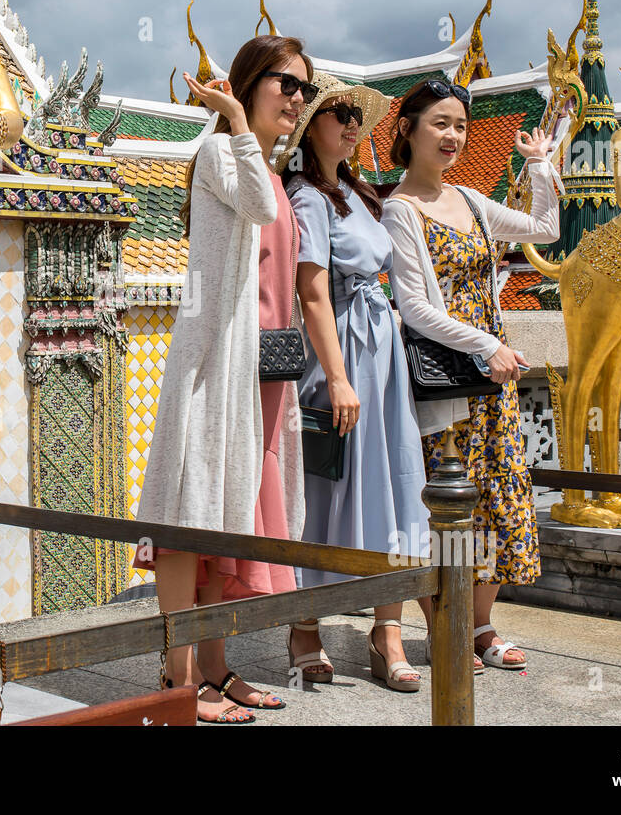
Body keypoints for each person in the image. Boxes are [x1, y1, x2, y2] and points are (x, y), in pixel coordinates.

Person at [132, 35, 311, 722]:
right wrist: (234, 121)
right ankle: (178, 685)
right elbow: (259, 210)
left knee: (225, 521)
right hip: (211, 360)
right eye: (284, 84)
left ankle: (216, 671)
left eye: (303, 87)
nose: (296, 97)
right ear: (246, 85)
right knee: (188, 517)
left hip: (253, 369)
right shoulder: (218, 151)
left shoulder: (260, 164)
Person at [381, 78, 561, 671]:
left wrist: (540, 166)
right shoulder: (399, 209)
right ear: (407, 130)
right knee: (446, 505)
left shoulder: (473, 200)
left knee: (498, 497)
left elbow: (544, 231)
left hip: (491, 376)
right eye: (440, 123)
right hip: (443, 375)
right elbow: (415, 307)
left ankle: (480, 626)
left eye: (459, 124)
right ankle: (446, 628)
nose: (453, 135)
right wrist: (486, 343)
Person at [277, 72, 430, 692]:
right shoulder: (308, 197)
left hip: (382, 344)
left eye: (354, 114)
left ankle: (386, 630)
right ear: (310, 124)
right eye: (336, 112)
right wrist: (337, 378)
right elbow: (310, 291)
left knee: (396, 480)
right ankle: (304, 626)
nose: (349, 123)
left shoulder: (363, 196)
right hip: (340, 345)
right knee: (328, 481)